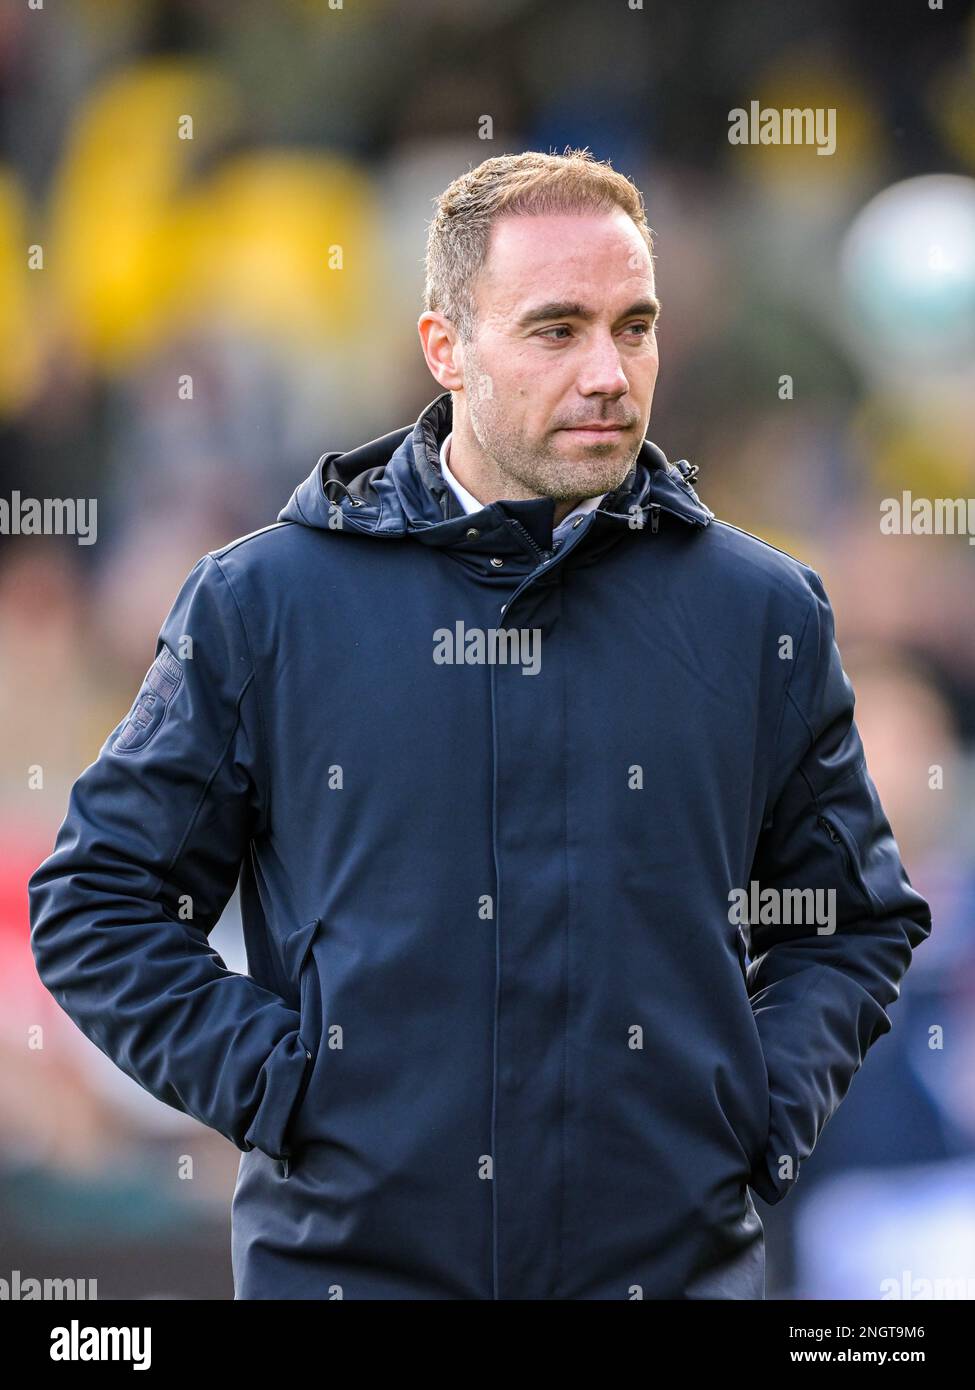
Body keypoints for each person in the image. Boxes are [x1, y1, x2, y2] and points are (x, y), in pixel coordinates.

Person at [28, 148, 932, 1300]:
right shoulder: (263, 606)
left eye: (635, 325)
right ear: (444, 350)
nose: (610, 370)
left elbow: (853, 923)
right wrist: (287, 1091)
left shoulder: (761, 613)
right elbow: (96, 901)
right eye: (558, 329)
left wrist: (754, 1114)